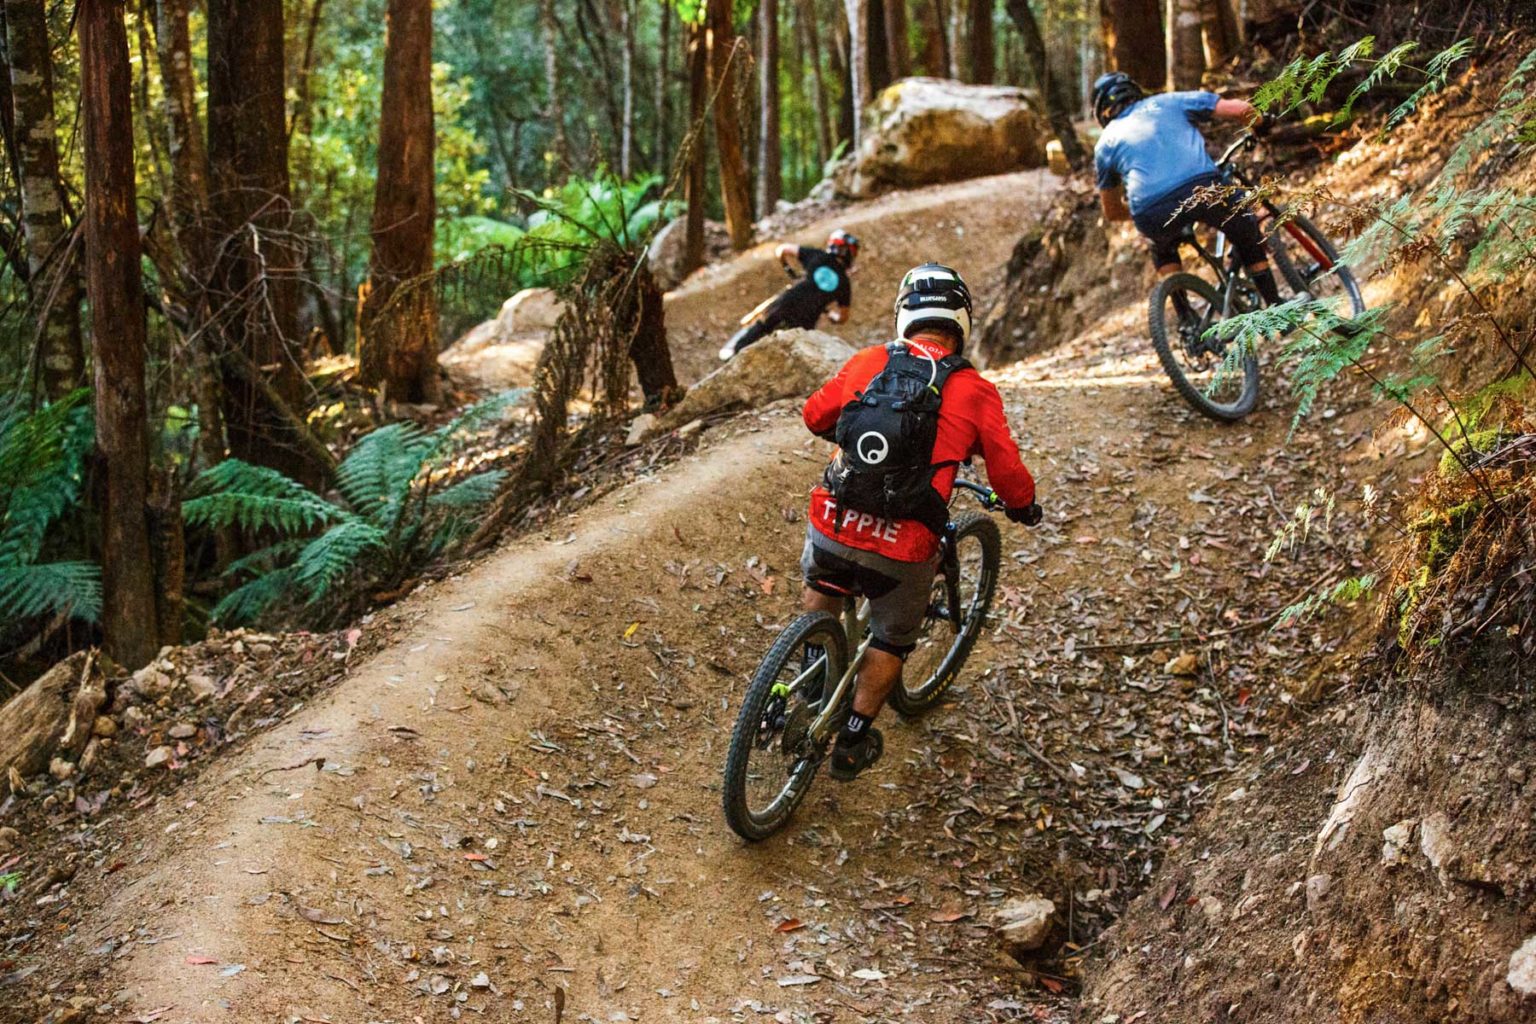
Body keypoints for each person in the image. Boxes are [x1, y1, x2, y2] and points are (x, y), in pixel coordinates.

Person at [797, 263, 1042, 781]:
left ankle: (804, 679)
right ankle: (852, 740)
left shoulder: (868, 361)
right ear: (961, 324)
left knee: (825, 576)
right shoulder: (974, 390)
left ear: (903, 316)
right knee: (891, 636)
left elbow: (815, 415)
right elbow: (1007, 472)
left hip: (833, 520)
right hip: (901, 545)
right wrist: (1022, 505)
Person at [1091, 72, 1286, 306]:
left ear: (1102, 111)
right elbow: (1239, 110)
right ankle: (1278, 310)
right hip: (1203, 187)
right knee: (1246, 230)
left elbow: (1111, 211)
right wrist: (1262, 124)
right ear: (1135, 90)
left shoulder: (1105, 142)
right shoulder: (1170, 101)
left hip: (1151, 209)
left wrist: (1147, 213)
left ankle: (1186, 321)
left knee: (1163, 249)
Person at [718, 229, 858, 361]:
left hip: (788, 302)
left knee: (762, 325)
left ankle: (736, 353)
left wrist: (788, 269)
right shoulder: (844, 283)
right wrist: (833, 317)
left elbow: (782, 249)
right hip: (807, 318)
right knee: (794, 347)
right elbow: (843, 317)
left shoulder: (816, 255)